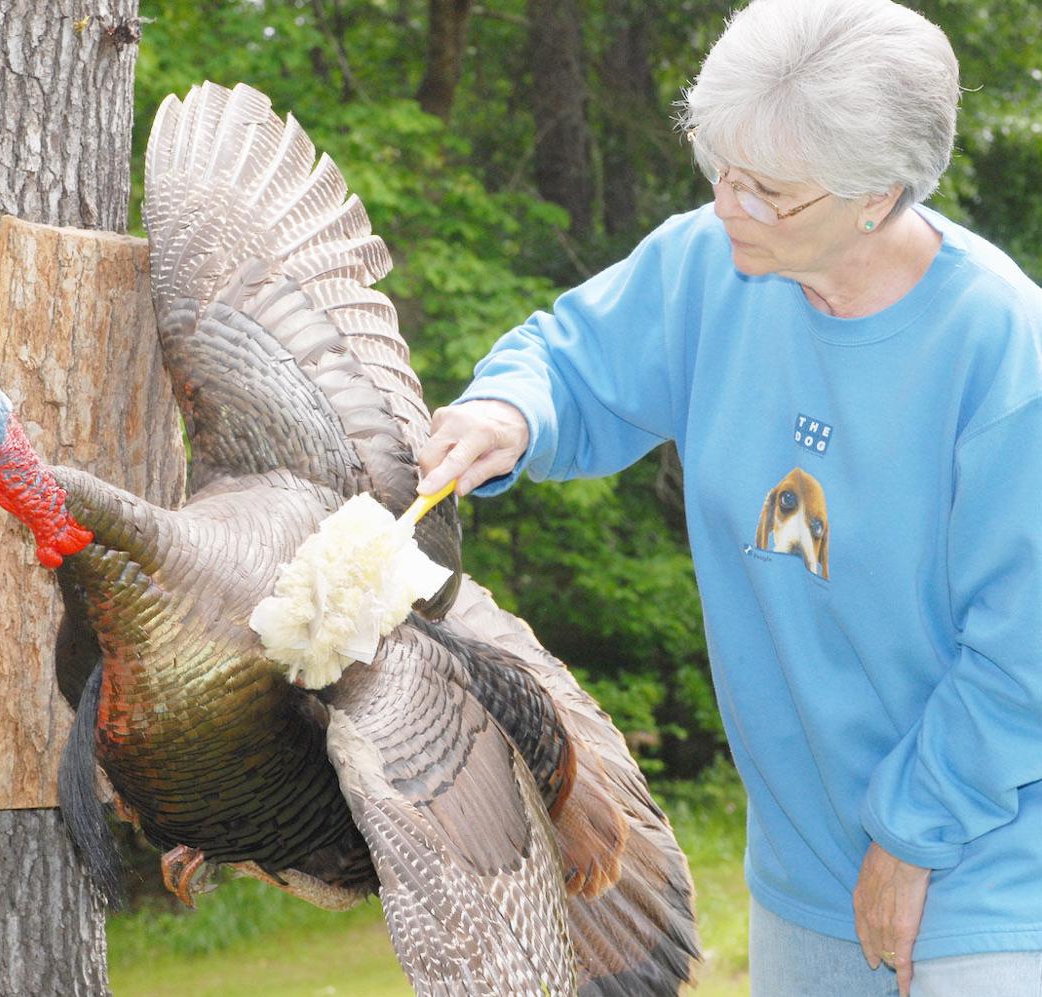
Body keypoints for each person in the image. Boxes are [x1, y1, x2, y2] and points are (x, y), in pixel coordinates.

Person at [415, 1, 1042, 995]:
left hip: (984, 861)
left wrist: (912, 833)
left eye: (768, 192)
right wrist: (511, 410)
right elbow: (571, 361)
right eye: (721, 169)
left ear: (878, 195)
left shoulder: (1003, 351)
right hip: (801, 868)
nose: (729, 206)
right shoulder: (709, 265)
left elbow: (1024, 648)